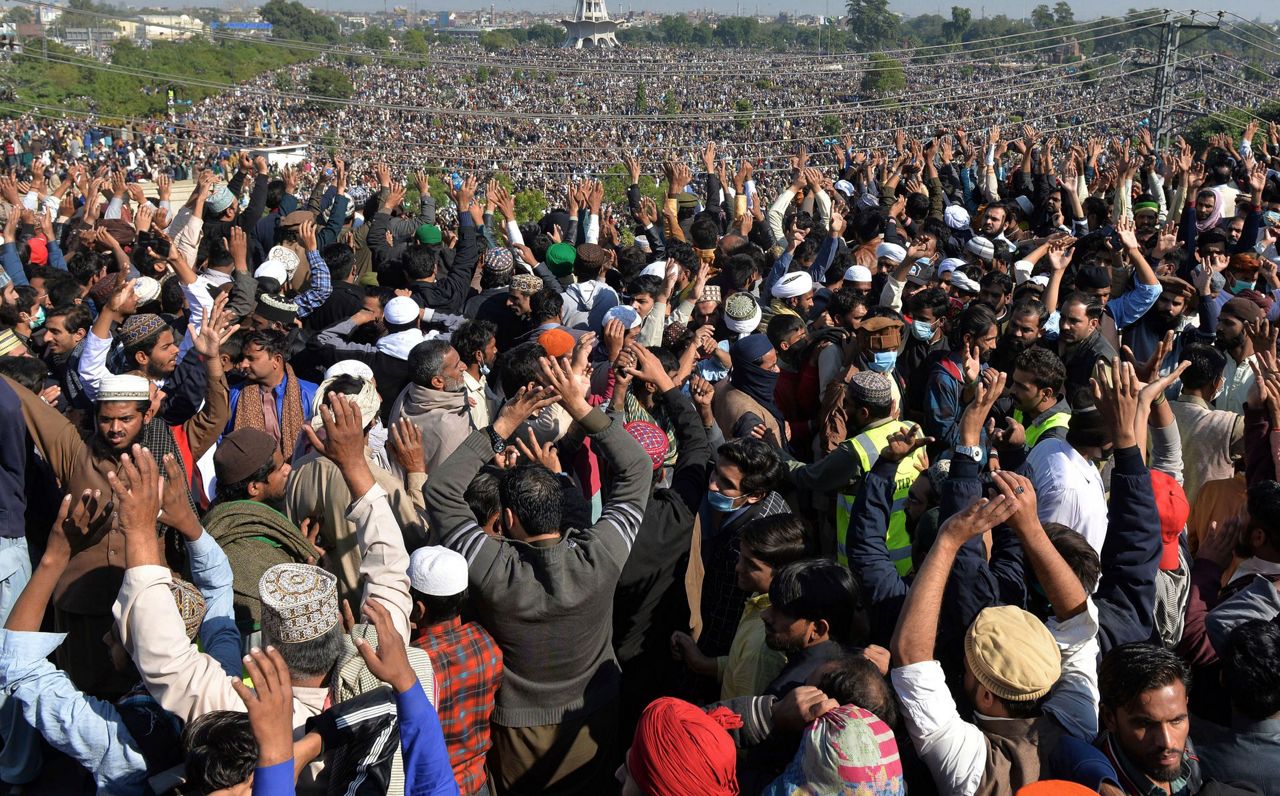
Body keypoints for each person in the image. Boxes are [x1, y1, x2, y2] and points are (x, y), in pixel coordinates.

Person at [425, 355, 650, 794]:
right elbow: (638, 469)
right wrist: (579, 406)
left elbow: (441, 490)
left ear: (507, 519)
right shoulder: (602, 556)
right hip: (596, 714)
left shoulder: (492, 568)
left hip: (519, 730)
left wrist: (503, 424)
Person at [407, 546, 503, 796]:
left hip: (432, 788)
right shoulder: (486, 643)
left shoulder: (412, 663)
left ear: (418, 609)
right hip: (477, 782)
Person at [1097, 643, 1201, 795]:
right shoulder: (1089, 786)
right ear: (1109, 718)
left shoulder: (1188, 753)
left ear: (1186, 703)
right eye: (1145, 724)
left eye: (1176, 720)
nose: (1167, 742)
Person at [388, 339, 474, 475]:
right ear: (438, 381)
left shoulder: (408, 391)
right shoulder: (448, 425)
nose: (464, 367)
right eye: (457, 365)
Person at [227, 328, 318, 453]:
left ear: (276, 360)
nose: (243, 364)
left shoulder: (310, 394)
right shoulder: (234, 395)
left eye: (251, 359)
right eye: (243, 358)